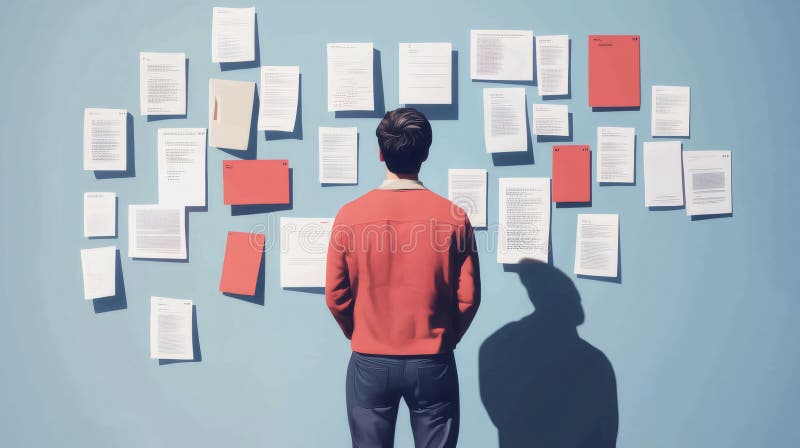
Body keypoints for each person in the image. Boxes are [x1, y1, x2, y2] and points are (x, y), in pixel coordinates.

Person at [325, 108, 481, 448]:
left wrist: (361, 332)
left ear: (380, 153)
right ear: (425, 153)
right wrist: (444, 337)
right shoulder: (454, 217)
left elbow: (336, 296)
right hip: (433, 359)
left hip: (370, 360)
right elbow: (468, 297)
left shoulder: (350, 216)